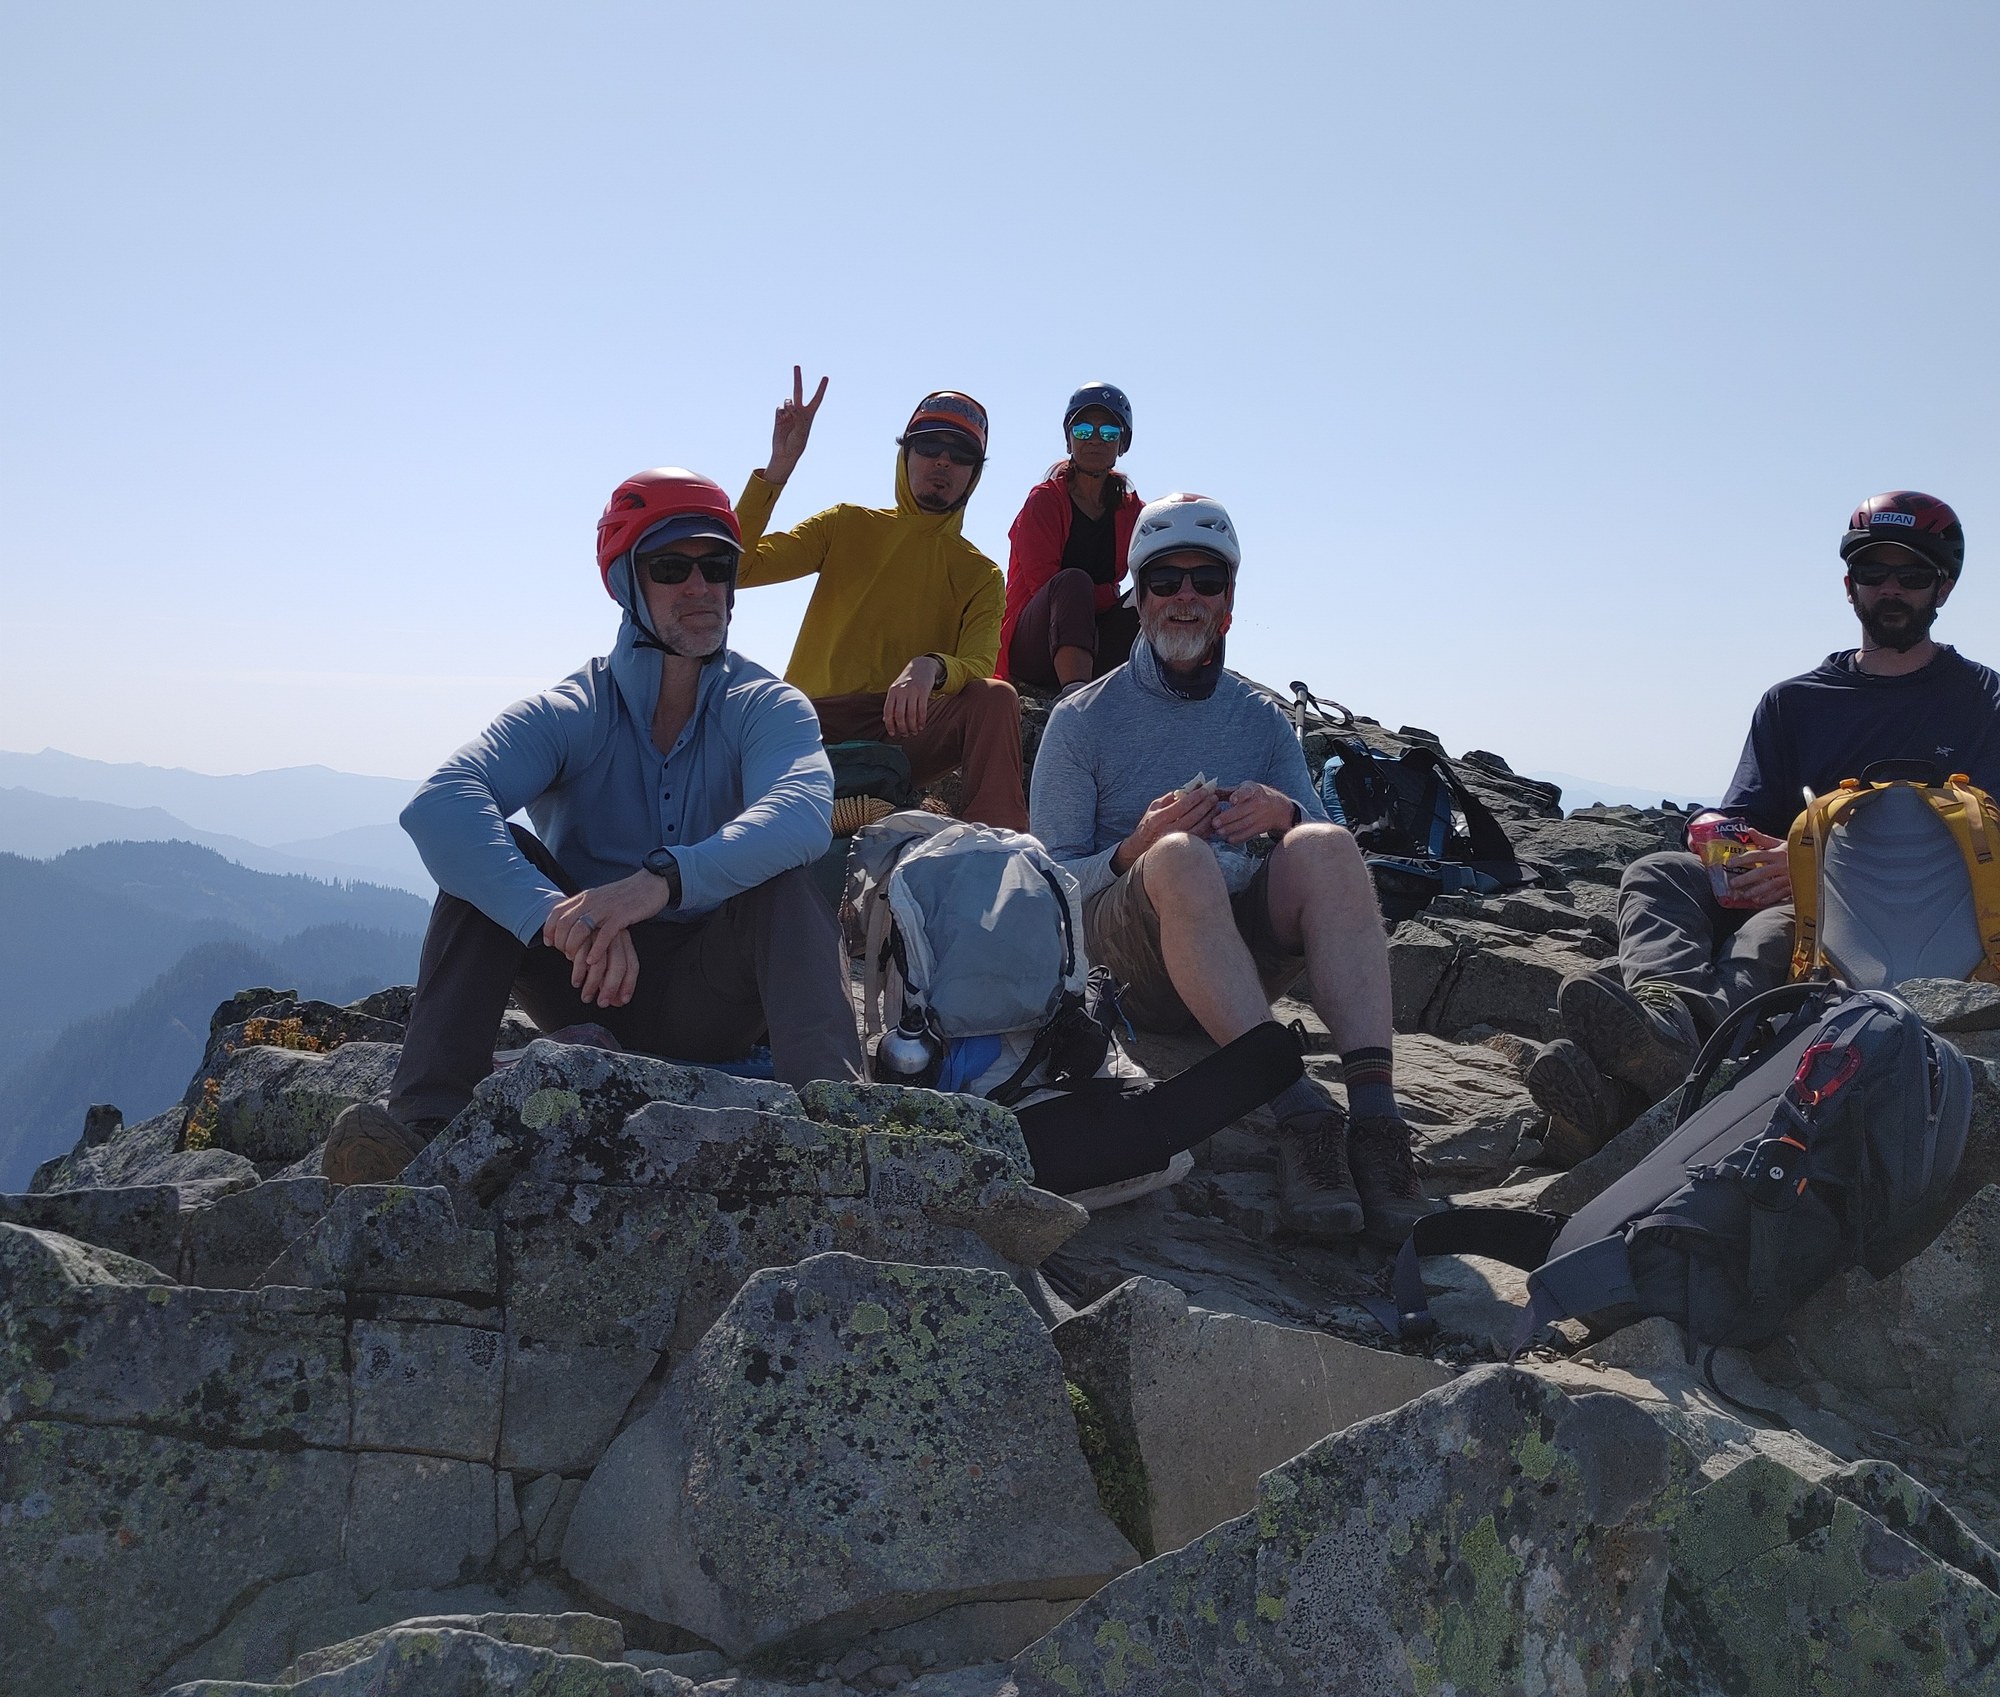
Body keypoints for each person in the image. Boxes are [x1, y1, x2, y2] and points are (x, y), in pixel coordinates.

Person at [320, 468, 864, 1185]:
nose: (702, 586)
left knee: (782, 885)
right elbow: (441, 803)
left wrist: (658, 883)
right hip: (585, 974)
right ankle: (423, 1129)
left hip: (714, 992)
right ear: (625, 584)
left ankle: (838, 1136)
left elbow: (799, 812)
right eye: (672, 566)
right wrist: (559, 918)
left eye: (718, 565)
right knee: (494, 861)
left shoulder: (767, 705)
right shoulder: (575, 710)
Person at [1029, 491, 1444, 1245]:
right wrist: (1137, 846)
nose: (1185, 596)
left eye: (1206, 580)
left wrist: (1285, 816)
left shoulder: (1258, 718)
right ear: (1139, 595)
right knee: (1180, 856)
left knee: (1328, 843)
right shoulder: (1082, 719)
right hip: (1130, 968)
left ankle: (1378, 1124)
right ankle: (1298, 1110)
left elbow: (1326, 855)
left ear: (1229, 602)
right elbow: (1049, 881)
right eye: (1165, 580)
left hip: (1241, 954)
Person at [1530, 489, 2000, 1153]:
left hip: (1905, 921)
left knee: (1762, 942)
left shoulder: (1986, 701)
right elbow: (1744, 819)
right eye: (1873, 573)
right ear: (1849, 586)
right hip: (1797, 901)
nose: (1890, 589)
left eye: (1912, 575)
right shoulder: (1795, 702)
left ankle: (1632, 1086)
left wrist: (1818, 864)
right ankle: (1667, 1023)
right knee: (1658, 874)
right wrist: (1732, 847)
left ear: (1943, 587)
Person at [733, 370, 1027, 830]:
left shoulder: (981, 573)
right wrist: (777, 471)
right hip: (811, 719)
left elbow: (979, 660)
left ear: (975, 474)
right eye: (929, 446)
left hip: (902, 728)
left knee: (995, 697)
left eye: (962, 455)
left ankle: (997, 845)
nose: (943, 462)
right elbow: (736, 569)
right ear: (905, 454)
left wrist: (931, 664)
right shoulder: (845, 525)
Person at [999, 382, 1144, 693]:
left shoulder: (1133, 512)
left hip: (1092, 639)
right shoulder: (1044, 502)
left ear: (1122, 444)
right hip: (1034, 647)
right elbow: (1045, 584)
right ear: (1069, 440)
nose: (1094, 439)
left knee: (1154, 596)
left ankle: (1178, 693)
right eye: (1082, 430)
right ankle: (1076, 700)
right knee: (1072, 582)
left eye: (1108, 432)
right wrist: (1107, 594)